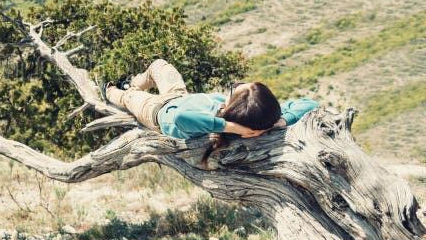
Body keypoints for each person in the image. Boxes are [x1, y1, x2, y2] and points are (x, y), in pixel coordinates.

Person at [101, 59, 318, 165]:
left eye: (234, 89)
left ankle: (109, 90)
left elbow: (180, 117)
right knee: (159, 65)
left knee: (126, 97)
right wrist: (279, 121)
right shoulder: (258, 115)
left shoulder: (206, 124)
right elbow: (309, 103)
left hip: (155, 111)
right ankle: (134, 83)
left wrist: (228, 126)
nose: (232, 86)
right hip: (179, 96)